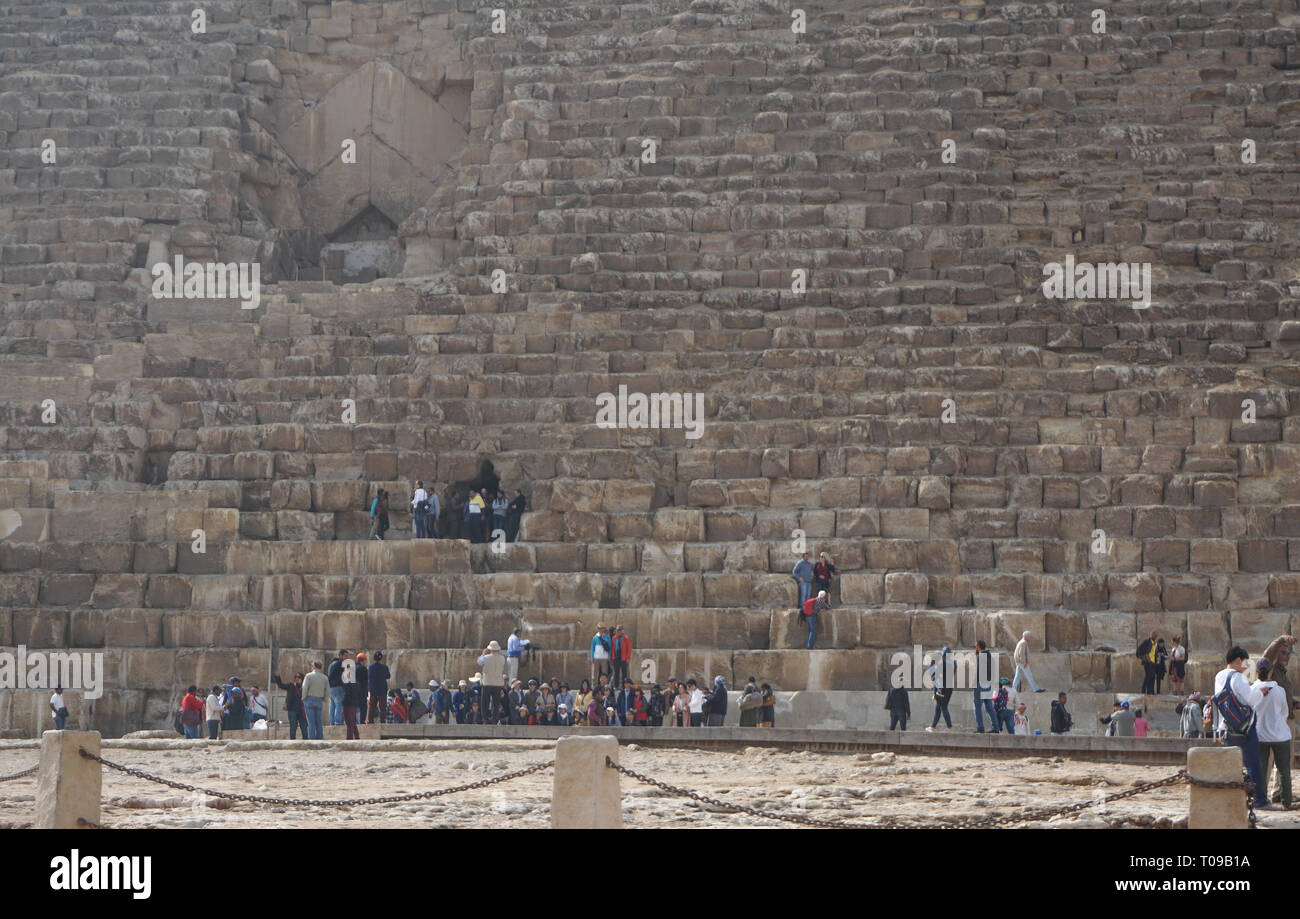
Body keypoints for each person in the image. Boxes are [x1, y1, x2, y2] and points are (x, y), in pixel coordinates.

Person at [1214, 646, 1270, 810]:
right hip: (1244, 728)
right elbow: (1251, 699)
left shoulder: (1219, 676)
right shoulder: (1238, 677)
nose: (1246, 667)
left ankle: (1231, 798)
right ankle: (1260, 800)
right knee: (1253, 764)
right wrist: (1262, 692)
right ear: (1238, 660)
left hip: (1226, 727)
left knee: (1231, 764)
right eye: (1245, 663)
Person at [1255, 658, 1292, 809]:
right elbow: (1284, 712)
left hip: (1260, 735)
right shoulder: (1279, 690)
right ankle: (1286, 802)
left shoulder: (1252, 690)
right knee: (1284, 770)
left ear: (1256, 672)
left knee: (1262, 770)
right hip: (1280, 735)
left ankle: (1261, 799)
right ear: (1271, 671)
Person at [1263, 634, 1297, 728]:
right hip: (1276, 722)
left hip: (1288, 721)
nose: (1287, 656)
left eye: (1288, 653)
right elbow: (1266, 657)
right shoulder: (1270, 671)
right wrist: (1281, 639)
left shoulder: (1284, 675)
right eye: (1283, 653)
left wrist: (1293, 703)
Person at [477, 641, 507, 723]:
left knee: (485, 703)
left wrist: (483, 654)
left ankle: (485, 720)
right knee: (496, 704)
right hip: (498, 683)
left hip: (487, 682)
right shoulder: (502, 658)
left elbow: (479, 662)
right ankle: (494, 720)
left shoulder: (486, 658)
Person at [273, 672, 308, 740]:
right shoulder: (291, 685)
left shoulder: (304, 687)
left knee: (304, 726)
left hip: (302, 710)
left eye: (299, 677)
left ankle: (306, 740)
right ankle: (292, 740)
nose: (297, 678)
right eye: (296, 677)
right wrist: (277, 677)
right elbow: (281, 685)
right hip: (292, 710)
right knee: (293, 726)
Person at [926, 647, 954, 732]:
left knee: (943, 707)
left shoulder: (939, 665)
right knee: (938, 707)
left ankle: (949, 727)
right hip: (949, 688)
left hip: (941, 688)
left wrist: (938, 691)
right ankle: (933, 726)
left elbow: (937, 678)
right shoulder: (952, 663)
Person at [973, 639, 997, 732]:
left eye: (976, 646)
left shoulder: (981, 656)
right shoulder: (991, 657)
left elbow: (978, 672)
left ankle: (980, 727)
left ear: (978, 646)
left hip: (981, 684)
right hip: (989, 684)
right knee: (989, 706)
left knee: (977, 706)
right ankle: (996, 728)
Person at [301, 662, 328, 739]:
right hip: (319, 700)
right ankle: (319, 738)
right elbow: (327, 691)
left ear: (314, 666)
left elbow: (305, 688)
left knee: (311, 722)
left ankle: (312, 739)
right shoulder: (324, 677)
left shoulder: (308, 676)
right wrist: (324, 699)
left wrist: (303, 698)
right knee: (319, 722)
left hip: (309, 699)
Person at [367, 651, 391, 724]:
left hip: (373, 689)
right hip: (382, 689)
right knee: (382, 707)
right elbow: (388, 676)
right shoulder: (384, 667)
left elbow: (369, 676)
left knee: (372, 706)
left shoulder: (370, 667)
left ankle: (370, 721)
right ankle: (382, 721)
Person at [341, 659, 361, 740]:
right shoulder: (352, 681)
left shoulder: (351, 681)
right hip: (350, 703)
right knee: (351, 722)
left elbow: (349, 693)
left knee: (350, 722)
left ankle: (349, 739)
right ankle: (357, 737)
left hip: (350, 703)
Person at [327, 650, 348, 726]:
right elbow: (332, 675)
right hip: (338, 687)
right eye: (345, 655)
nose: (346, 657)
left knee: (332, 705)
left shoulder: (331, 664)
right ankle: (338, 722)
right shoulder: (339, 663)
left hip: (331, 688)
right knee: (339, 704)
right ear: (340, 655)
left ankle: (332, 723)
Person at [1137, 630, 1159, 695]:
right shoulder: (1148, 641)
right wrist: (1148, 660)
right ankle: (1143, 690)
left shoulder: (1153, 643)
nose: (1155, 636)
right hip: (1149, 662)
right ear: (1151, 634)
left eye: (1156, 635)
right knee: (1148, 676)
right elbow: (1145, 652)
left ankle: (1150, 691)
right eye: (1154, 635)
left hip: (1153, 662)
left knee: (1152, 677)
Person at [354, 652, 370, 724]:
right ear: (362, 660)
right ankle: (362, 721)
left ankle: (354, 721)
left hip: (353, 691)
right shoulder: (363, 668)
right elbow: (366, 680)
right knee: (363, 707)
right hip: (362, 691)